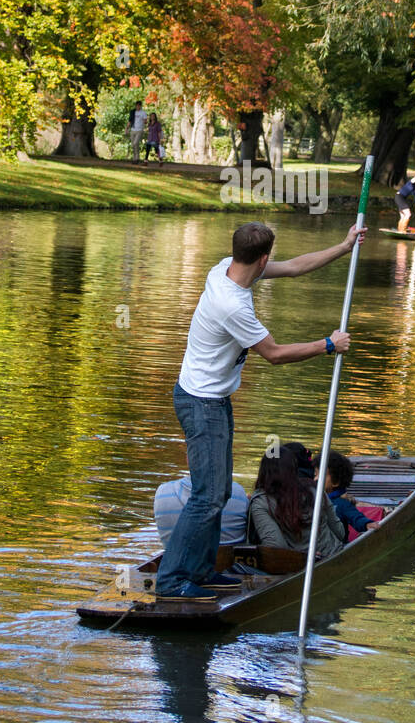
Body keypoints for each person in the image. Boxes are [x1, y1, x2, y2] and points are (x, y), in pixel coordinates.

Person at [155, 220, 365, 600]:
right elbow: (274, 354)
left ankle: (201, 571)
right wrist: (328, 345)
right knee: (207, 496)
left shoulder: (226, 268)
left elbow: (297, 266)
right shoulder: (231, 304)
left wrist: (345, 245)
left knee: (216, 493)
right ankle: (172, 581)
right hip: (201, 404)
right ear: (263, 257)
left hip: (213, 400)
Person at [247, 443, 346, 558]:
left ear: (263, 471)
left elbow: (276, 547)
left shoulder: (261, 502)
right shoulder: (315, 489)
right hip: (334, 553)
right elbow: (340, 533)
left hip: (298, 564)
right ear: (294, 468)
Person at [155, 473, 248, 547]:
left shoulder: (162, 491)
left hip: (175, 567)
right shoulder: (237, 491)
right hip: (228, 567)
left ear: (188, 458)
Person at [314, 449, 382, 539]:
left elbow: (355, 517)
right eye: (315, 474)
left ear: (336, 482)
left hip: (336, 546)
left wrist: (366, 524)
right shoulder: (314, 498)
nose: (315, 479)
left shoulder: (341, 503)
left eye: (321, 475)